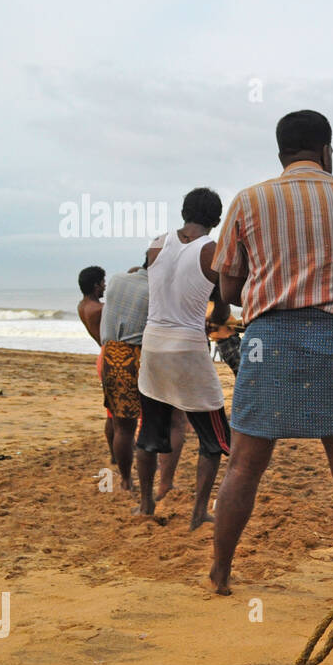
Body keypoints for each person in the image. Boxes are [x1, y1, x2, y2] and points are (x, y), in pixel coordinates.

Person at [211, 110, 333, 595]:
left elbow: (228, 287)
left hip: (271, 340)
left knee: (245, 464)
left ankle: (221, 572)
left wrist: (260, 274)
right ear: (328, 150)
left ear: (280, 154)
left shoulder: (249, 200)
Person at [136, 188, 232, 532]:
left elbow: (158, 283)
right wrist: (218, 314)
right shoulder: (212, 251)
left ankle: (146, 503)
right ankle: (198, 513)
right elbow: (222, 307)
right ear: (217, 220)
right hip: (188, 347)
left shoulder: (156, 244)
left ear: (183, 212)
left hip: (153, 344)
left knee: (149, 430)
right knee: (214, 438)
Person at [98, 256, 186, 494]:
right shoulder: (164, 293)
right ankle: (165, 482)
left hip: (112, 354)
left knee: (122, 426)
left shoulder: (116, 280)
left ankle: (127, 481)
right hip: (146, 354)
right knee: (174, 421)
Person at [76, 265, 115, 460]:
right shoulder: (99, 309)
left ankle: (114, 452)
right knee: (119, 411)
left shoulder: (82, 306)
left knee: (111, 411)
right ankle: (119, 451)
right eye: (103, 282)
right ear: (95, 285)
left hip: (102, 354)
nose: (105, 286)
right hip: (112, 355)